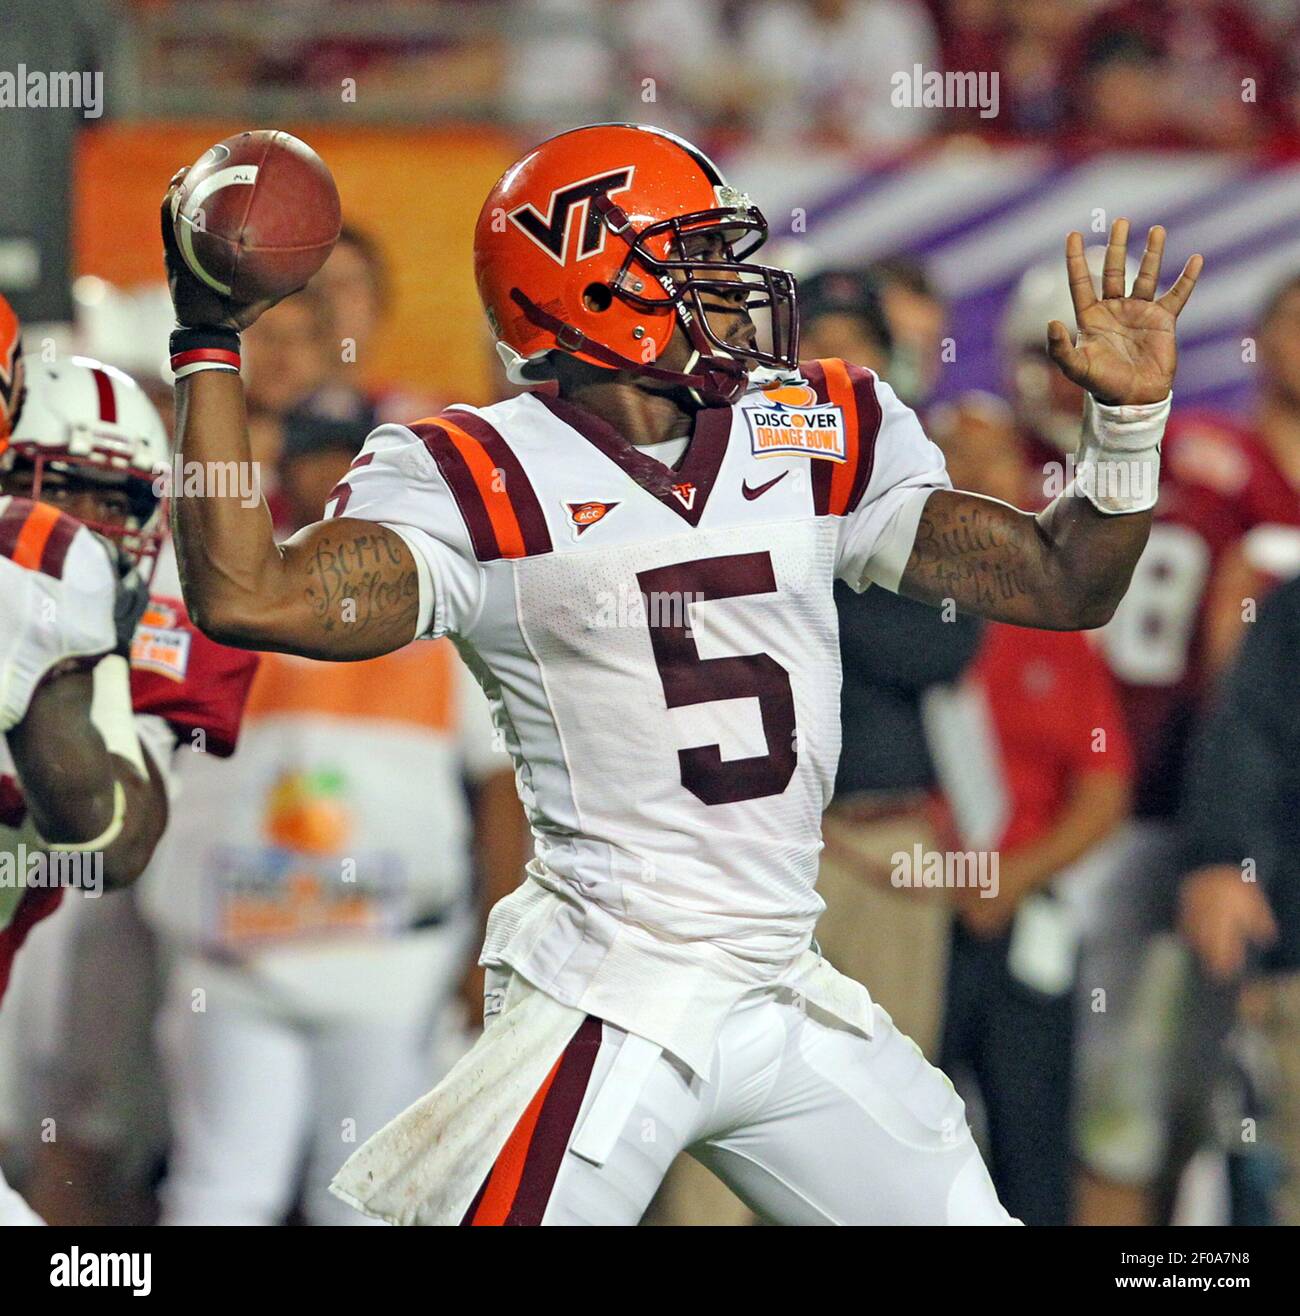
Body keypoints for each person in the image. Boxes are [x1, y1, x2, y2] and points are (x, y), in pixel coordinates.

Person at [161, 122, 1199, 1226]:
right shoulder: (470, 472)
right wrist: (207, 344)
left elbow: (1060, 582)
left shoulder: (812, 422)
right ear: (590, 285)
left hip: (781, 982)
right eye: (691, 257)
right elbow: (249, 594)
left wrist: (1125, 427)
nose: (733, 285)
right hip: (606, 992)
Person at [139, 424, 524, 1226]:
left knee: (367, 1204)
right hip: (234, 948)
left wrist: (492, 941)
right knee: (221, 1193)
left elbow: (500, 784)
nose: (339, 478)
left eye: (355, 459)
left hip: (391, 954)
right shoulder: (216, 588)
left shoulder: (443, 599)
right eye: (321, 456)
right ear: (290, 468)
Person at [1002, 252, 1300, 1224]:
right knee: (1135, 1094)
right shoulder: (1232, 471)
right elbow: (1240, 645)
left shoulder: (1188, 456)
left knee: (1149, 1093)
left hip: (1146, 801)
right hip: (1162, 805)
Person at [0, 307, 258, 1225]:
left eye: (127, 504)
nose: (101, 526)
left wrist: (57, 677)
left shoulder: (141, 630)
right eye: (67, 488)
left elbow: (118, 842)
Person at [927, 393, 1134, 1225]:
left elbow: (1104, 791)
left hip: (1022, 912)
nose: (977, 476)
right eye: (954, 456)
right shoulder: (879, 606)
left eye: (993, 457)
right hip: (910, 907)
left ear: (1024, 476)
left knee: (1034, 1150)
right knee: (898, 1147)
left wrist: (1010, 877)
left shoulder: (1053, 622)